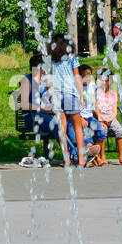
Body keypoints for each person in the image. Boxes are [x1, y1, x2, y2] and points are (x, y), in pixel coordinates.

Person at [17, 54, 77, 163]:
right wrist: (44, 109)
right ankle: (73, 154)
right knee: (56, 124)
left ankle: (80, 151)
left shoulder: (47, 80)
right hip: (33, 116)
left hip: (48, 114)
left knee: (69, 122)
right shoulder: (27, 80)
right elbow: (24, 104)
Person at [48, 34, 86, 167]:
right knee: (78, 127)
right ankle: (81, 160)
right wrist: (81, 95)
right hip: (70, 93)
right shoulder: (71, 58)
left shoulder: (51, 59)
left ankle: (66, 160)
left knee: (61, 129)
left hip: (57, 94)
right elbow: (76, 76)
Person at [95, 68, 122, 165]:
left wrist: (111, 118)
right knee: (103, 130)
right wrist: (101, 119)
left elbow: (114, 110)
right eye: (102, 80)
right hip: (99, 116)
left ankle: (121, 157)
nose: (104, 82)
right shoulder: (96, 92)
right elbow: (95, 108)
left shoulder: (113, 93)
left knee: (119, 131)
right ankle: (103, 155)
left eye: (107, 80)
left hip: (110, 117)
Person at [78, 65, 107, 166]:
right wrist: (80, 118)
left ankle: (93, 157)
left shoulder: (92, 86)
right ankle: (96, 158)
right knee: (86, 135)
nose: (89, 77)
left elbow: (95, 104)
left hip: (90, 117)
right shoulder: (76, 87)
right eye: (86, 75)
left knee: (102, 131)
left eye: (90, 75)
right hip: (79, 117)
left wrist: (100, 119)